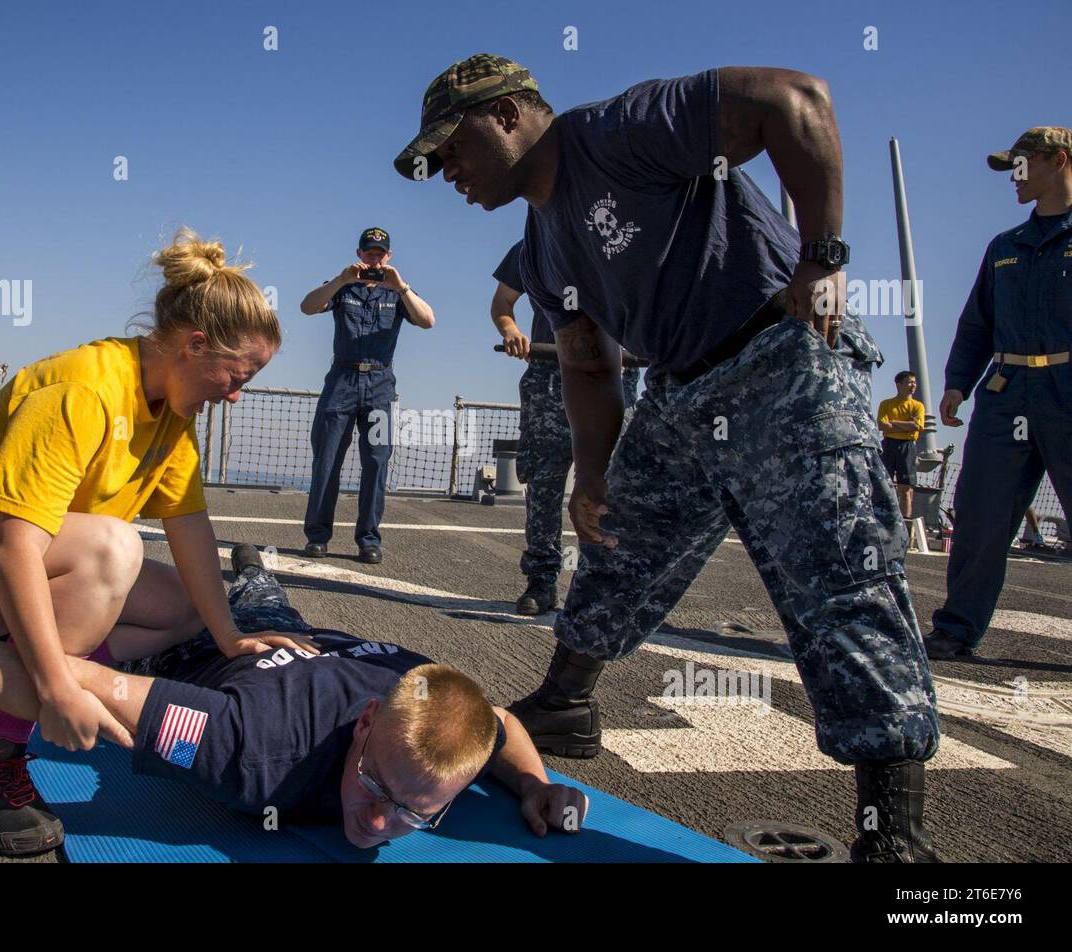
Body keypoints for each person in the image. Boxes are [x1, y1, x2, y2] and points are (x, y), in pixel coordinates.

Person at [395, 54, 939, 862]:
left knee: (838, 574)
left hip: (778, 356)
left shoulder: (616, 133)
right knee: (618, 543)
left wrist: (822, 259)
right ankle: (566, 703)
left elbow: (795, 100)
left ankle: (892, 832)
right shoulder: (543, 247)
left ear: (507, 113)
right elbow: (585, 364)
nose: (447, 172)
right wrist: (596, 473)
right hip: (682, 393)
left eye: (451, 150)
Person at [0, 227, 316, 856]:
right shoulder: (85, 390)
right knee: (112, 552)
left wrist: (229, 635)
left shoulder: (173, 419)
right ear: (194, 344)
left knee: (182, 608)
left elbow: (191, 532)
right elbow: (11, 548)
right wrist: (51, 688)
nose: (234, 395)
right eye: (236, 377)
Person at [0, 525, 590, 853]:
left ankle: (254, 571)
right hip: (203, 642)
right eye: (377, 783)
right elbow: (75, 685)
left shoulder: (421, 709)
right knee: (177, 604)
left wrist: (532, 782)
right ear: (362, 726)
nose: (379, 816)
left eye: (418, 812)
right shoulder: (252, 751)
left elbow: (491, 724)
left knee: (265, 596)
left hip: (303, 635)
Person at [925, 127, 1072, 660]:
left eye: (1022, 164)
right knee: (980, 511)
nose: (1014, 176)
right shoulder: (1004, 247)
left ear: (1058, 161)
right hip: (1006, 391)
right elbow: (976, 324)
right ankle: (956, 630)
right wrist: (958, 383)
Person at [490, 240, 638, 615]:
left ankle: (600, 585)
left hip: (614, 375)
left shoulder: (625, 235)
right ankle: (541, 580)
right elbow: (502, 302)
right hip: (549, 374)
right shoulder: (534, 247)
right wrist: (510, 330)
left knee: (612, 487)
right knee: (544, 482)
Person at [299, 228, 436, 564]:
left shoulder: (398, 293)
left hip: (379, 385)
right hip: (342, 381)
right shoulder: (342, 287)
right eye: (369, 252)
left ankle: (368, 539)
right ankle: (318, 536)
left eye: (380, 253)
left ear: (388, 256)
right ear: (359, 254)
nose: (374, 259)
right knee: (327, 460)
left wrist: (400, 286)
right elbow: (307, 306)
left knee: (376, 462)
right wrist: (341, 280)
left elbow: (428, 320)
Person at [876, 371, 925, 518]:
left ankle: (906, 521)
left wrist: (894, 423)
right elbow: (882, 425)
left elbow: (916, 426)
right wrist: (905, 425)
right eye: (909, 382)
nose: (913, 385)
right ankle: (884, 517)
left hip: (907, 446)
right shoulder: (886, 404)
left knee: (905, 487)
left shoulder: (917, 406)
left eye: (914, 383)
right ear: (899, 384)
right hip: (888, 445)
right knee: (885, 484)